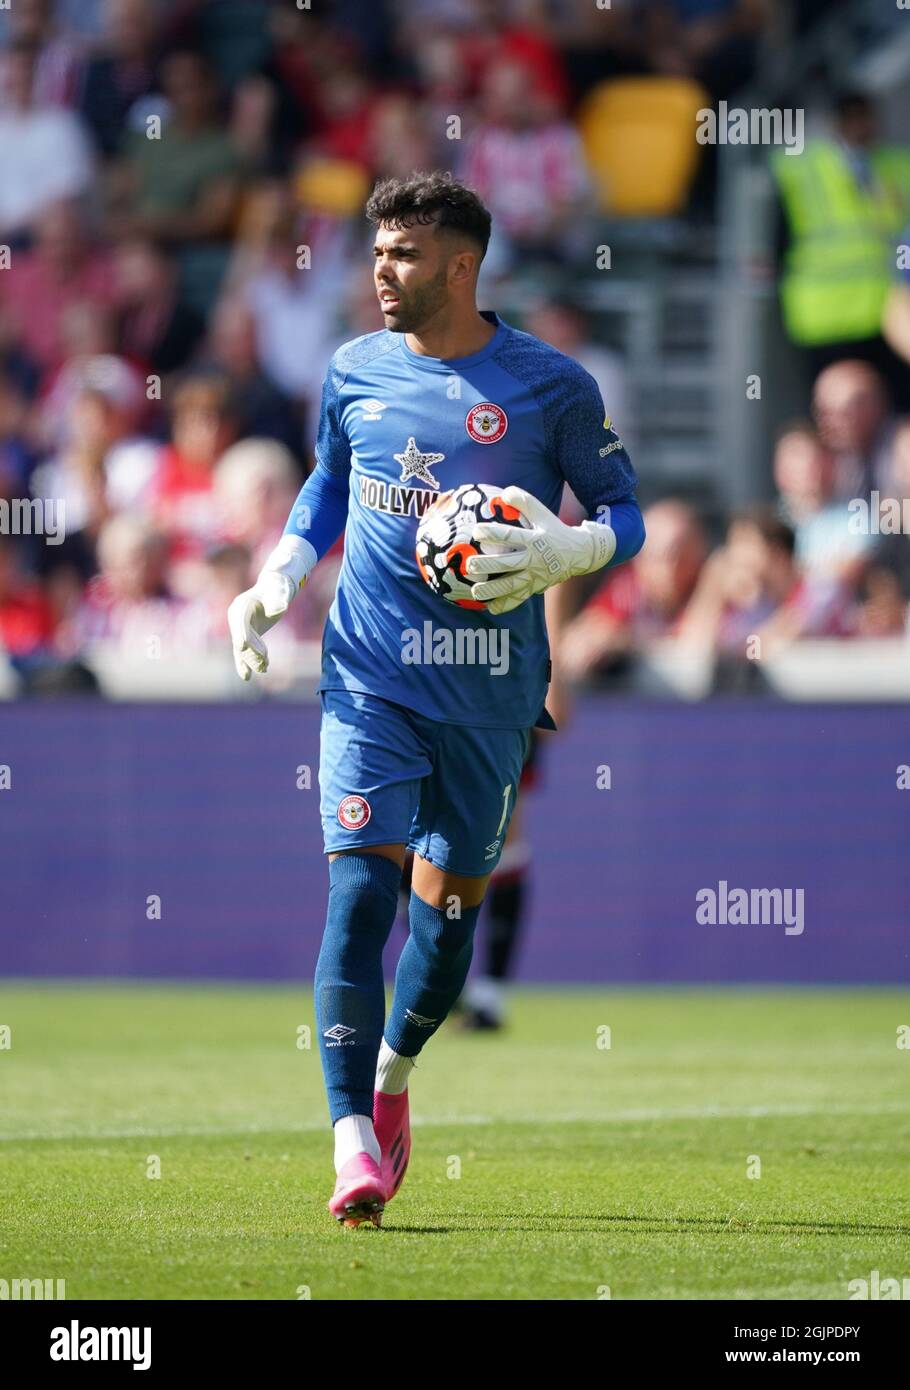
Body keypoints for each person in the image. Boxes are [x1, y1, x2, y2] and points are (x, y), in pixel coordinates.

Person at [227, 171, 645, 1227]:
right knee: (358, 894)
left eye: (403, 254)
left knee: (447, 922)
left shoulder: (550, 387)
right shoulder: (352, 369)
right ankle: (347, 1142)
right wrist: (278, 574)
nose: (380, 270)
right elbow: (328, 481)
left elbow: (625, 510)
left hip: (491, 692)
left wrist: (571, 547)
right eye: (375, 251)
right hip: (367, 675)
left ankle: (395, 1080)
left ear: (462, 266)